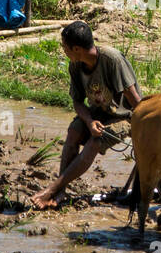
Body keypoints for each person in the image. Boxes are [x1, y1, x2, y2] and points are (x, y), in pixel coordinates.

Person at [29, 21, 141, 209]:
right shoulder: (76, 66)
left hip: (125, 117)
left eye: (65, 47)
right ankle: (61, 191)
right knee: (74, 131)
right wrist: (89, 122)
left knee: (95, 142)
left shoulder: (112, 60)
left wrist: (146, 128)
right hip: (98, 114)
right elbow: (78, 102)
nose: (63, 50)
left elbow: (136, 100)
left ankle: (52, 189)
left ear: (77, 48)